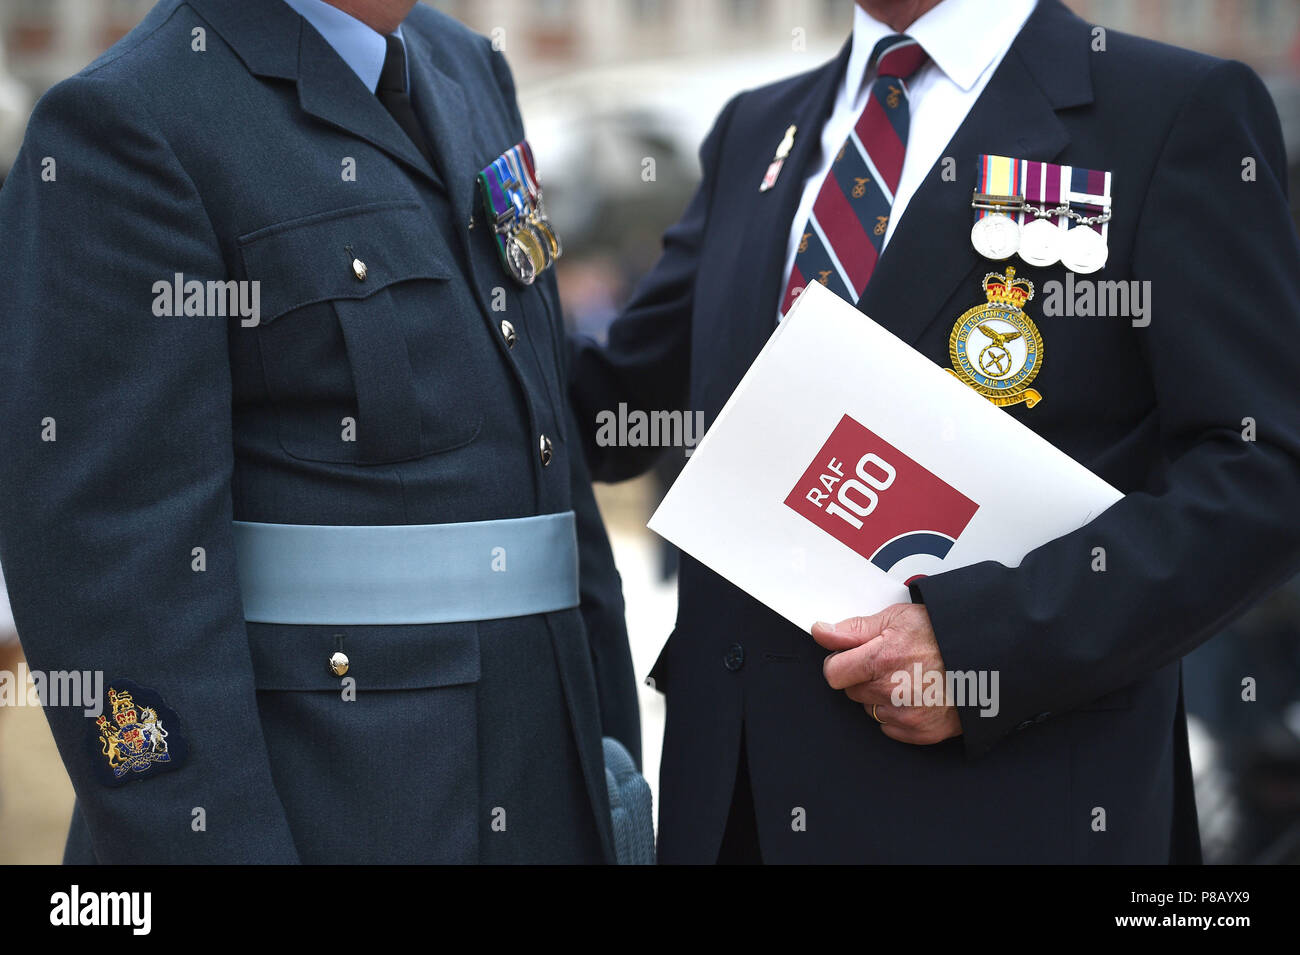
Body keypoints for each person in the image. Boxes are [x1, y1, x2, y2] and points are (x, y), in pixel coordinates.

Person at [571, 0, 1300, 863]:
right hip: (737, 811)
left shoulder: (1167, 108)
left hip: (1008, 807)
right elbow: (605, 406)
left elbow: (1266, 468)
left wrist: (988, 646)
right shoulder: (757, 129)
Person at [0, 0, 638, 864]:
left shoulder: (460, 64)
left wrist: (611, 758)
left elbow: (544, 453)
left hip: (552, 790)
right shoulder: (128, 122)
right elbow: (111, 590)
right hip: (348, 810)